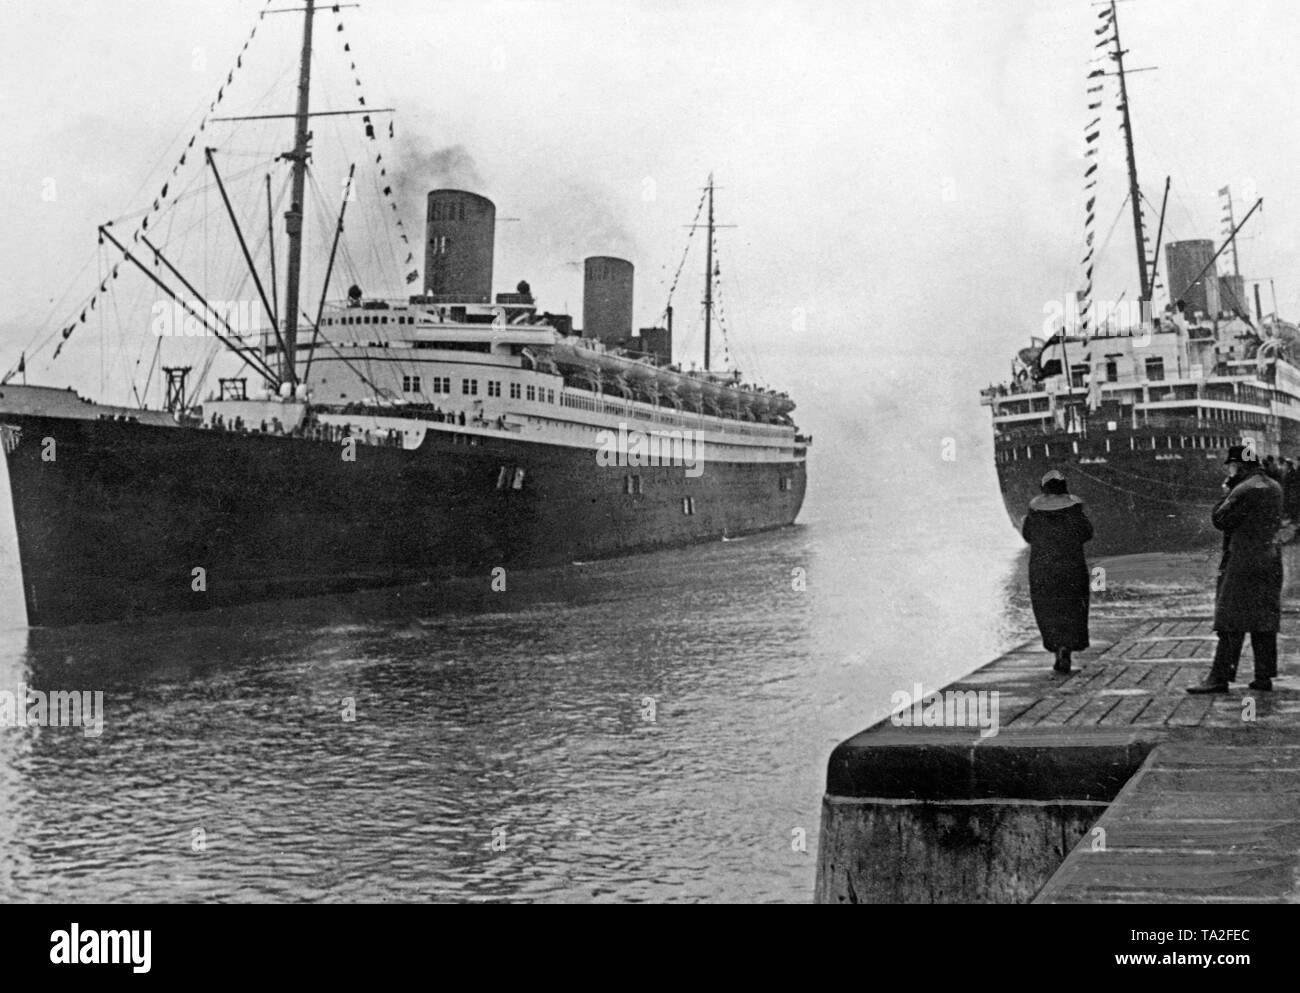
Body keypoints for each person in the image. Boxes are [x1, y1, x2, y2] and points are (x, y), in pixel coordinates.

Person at [1189, 446, 1283, 693]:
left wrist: (1227, 490)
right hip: (1271, 559)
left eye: (1230, 466)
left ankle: (1219, 678)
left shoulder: (1243, 489)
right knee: (1264, 618)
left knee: (1231, 619)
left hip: (1243, 560)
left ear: (1239, 466)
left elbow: (1220, 519)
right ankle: (1263, 677)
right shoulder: (1273, 486)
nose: (1229, 471)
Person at [1022, 470, 1094, 674]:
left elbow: (1027, 536)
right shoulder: (1074, 509)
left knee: (1048, 609)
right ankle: (1067, 648)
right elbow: (1087, 533)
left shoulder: (1034, 510)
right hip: (1071, 567)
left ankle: (1056, 648)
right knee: (1072, 608)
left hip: (1042, 569)